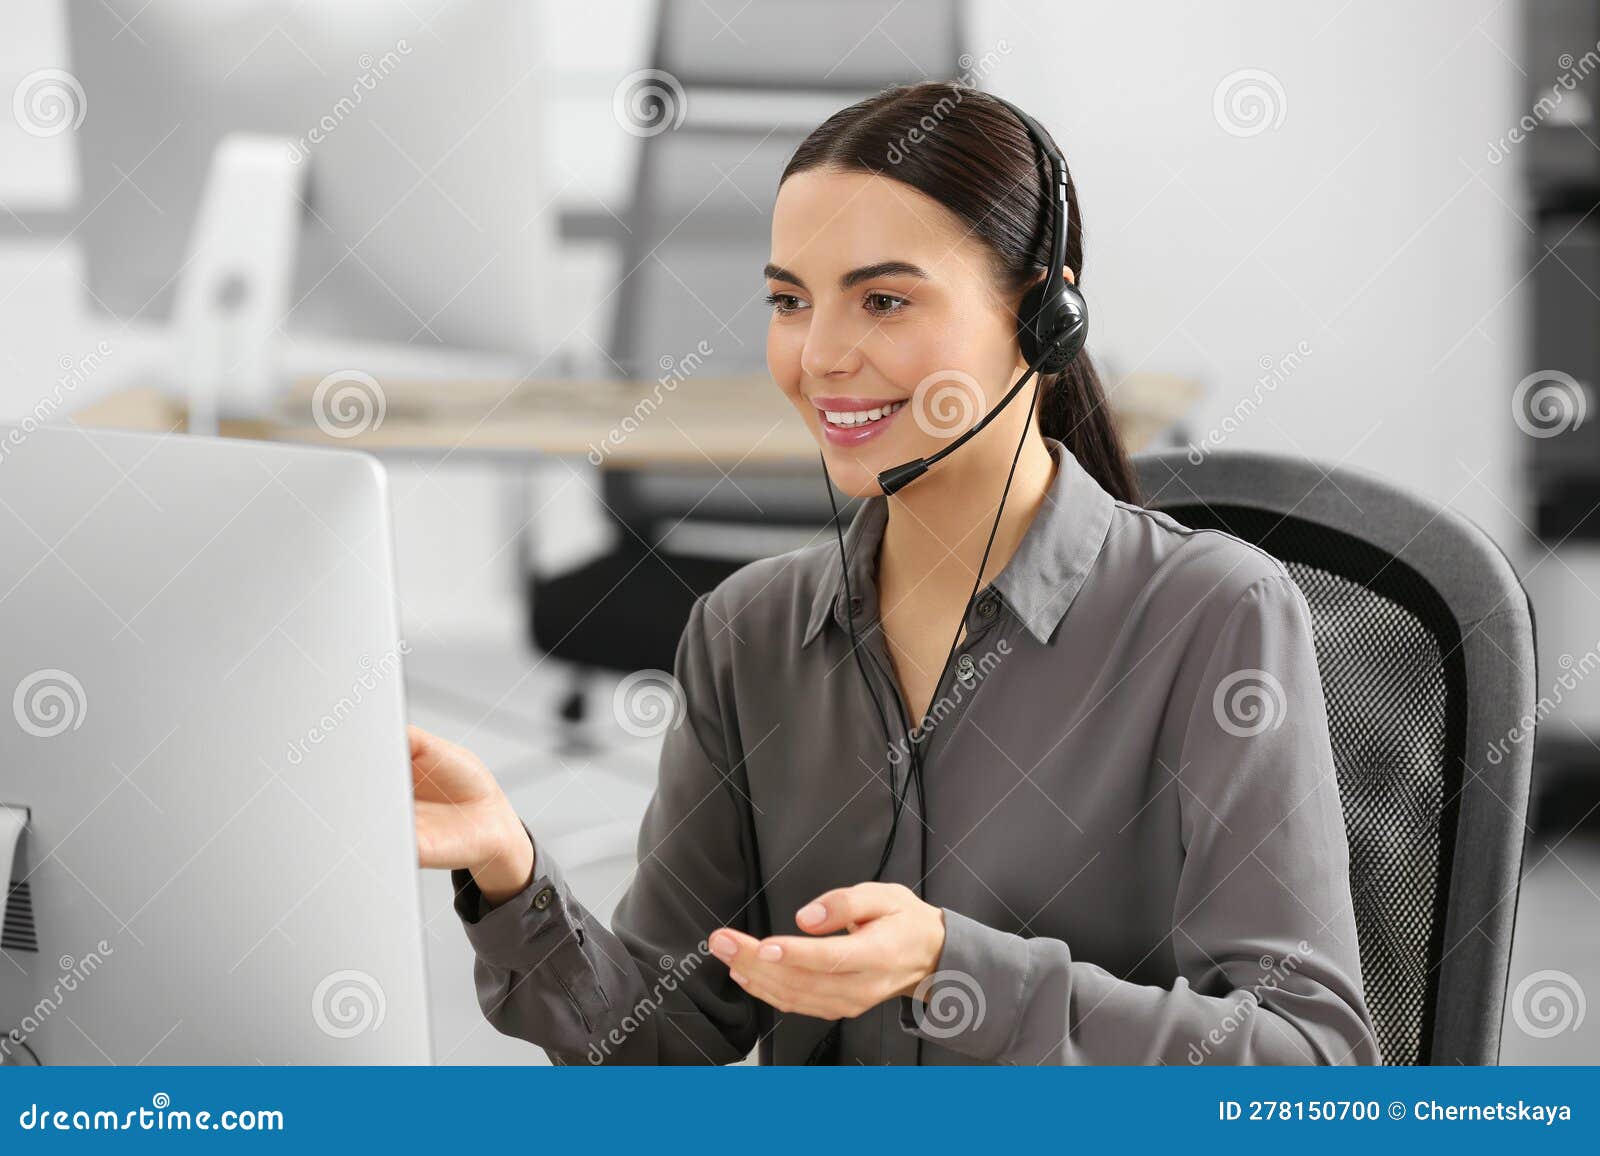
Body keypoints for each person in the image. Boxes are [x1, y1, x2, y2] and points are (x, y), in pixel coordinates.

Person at [409, 81, 1382, 1066]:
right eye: (789, 301)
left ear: (1046, 315)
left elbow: (1308, 1066)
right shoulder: (747, 632)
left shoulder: (1211, 616)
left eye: (883, 299)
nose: (820, 355)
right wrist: (509, 871)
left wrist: (952, 970)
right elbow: (663, 1048)